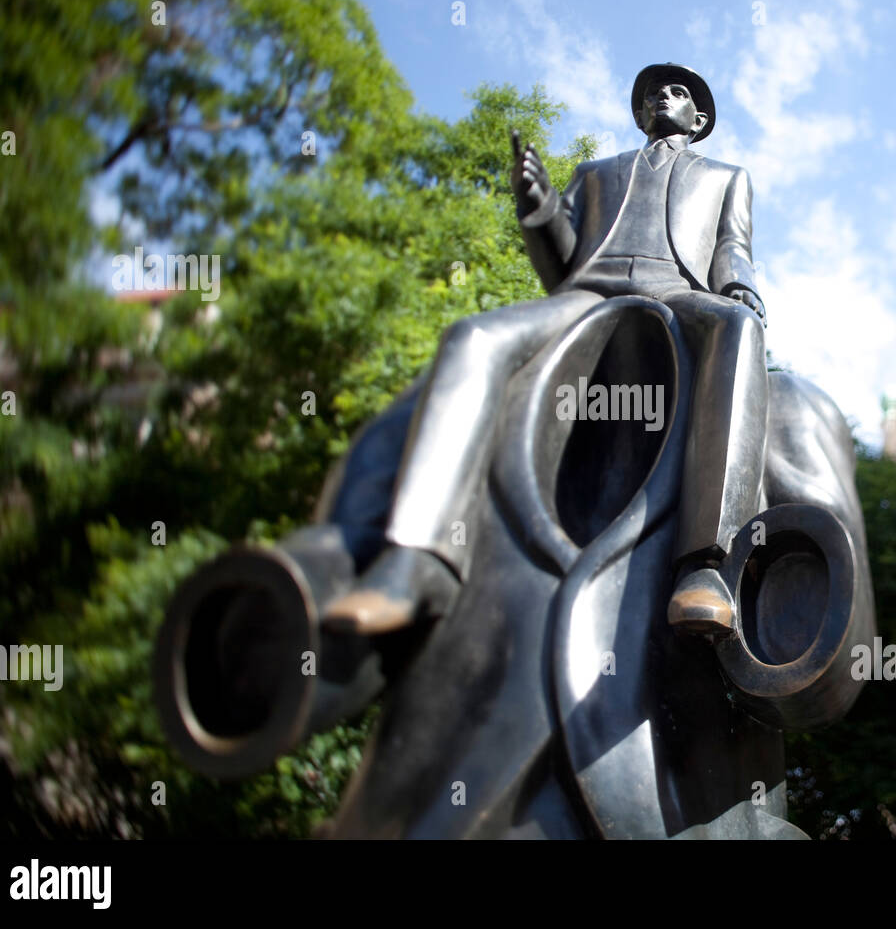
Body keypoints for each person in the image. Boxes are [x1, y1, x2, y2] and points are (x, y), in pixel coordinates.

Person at [326, 63, 768, 638]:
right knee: (473, 335)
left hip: (676, 291)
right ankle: (417, 556)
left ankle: (706, 566)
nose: (663, 96)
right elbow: (560, 265)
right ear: (638, 115)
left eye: (678, 92)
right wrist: (537, 204)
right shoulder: (595, 175)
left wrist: (741, 291)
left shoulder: (727, 177)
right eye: (653, 93)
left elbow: (732, 245)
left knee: (737, 327)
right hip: (589, 292)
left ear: (699, 117)